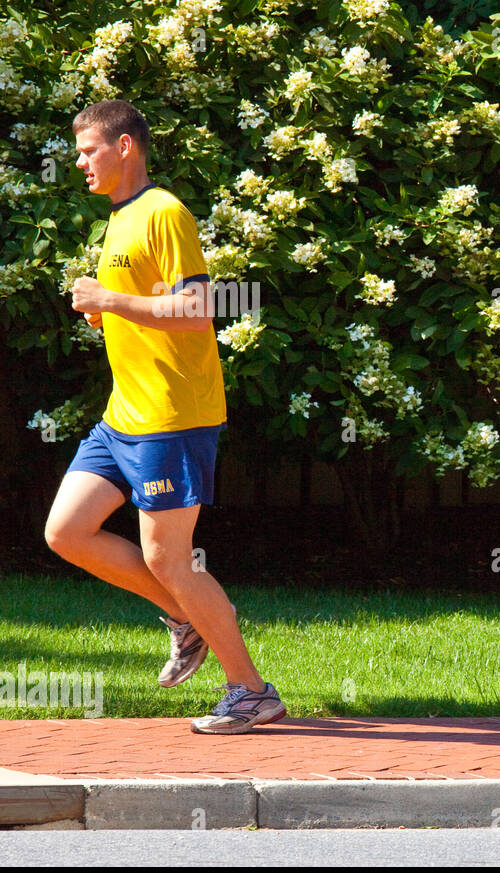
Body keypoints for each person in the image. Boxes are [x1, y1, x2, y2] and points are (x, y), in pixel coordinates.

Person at [44, 99, 284, 734]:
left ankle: (251, 691)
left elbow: (198, 307)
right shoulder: (118, 220)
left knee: (170, 559)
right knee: (67, 531)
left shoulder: (164, 212)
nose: (80, 163)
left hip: (173, 416)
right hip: (123, 416)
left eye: (89, 150)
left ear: (126, 147)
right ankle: (186, 620)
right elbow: (148, 309)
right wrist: (109, 311)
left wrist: (109, 299)